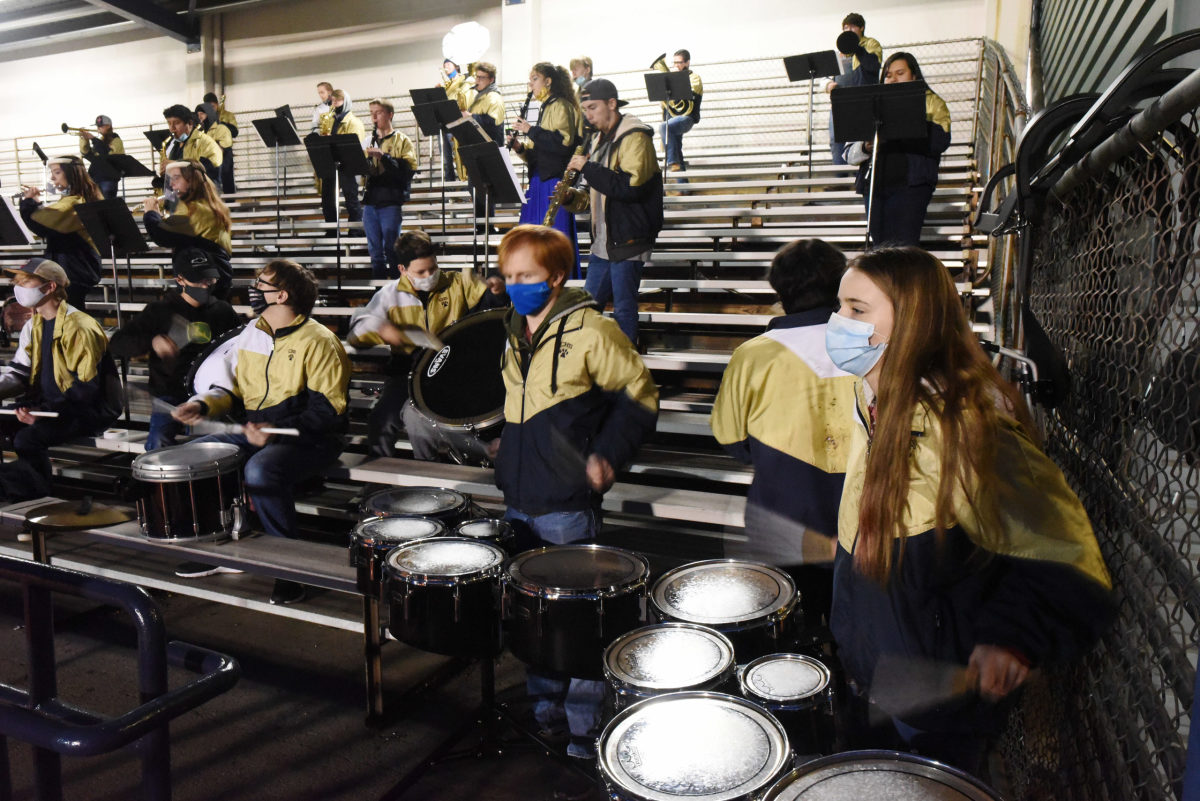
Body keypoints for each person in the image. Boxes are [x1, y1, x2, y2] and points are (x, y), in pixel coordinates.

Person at [827, 247, 1113, 773]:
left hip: (936, 702)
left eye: (857, 309)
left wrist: (1011, 639)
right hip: (875, 673)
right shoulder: (871, 398)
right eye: (840, 306)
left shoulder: (967, 430)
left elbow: (1066, 560)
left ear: (912, 322)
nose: (838, 322)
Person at [494, 225, 658, 760]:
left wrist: (607, 454)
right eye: (509, 275)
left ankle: (586, 730)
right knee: (535, 617)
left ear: (557, 277)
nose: (515, 285)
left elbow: (639, 396)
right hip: (519, 495)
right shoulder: (512, 330)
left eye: (526, 276)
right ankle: (546, 715)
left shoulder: (593, 331)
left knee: (579, 622)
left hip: (566, 503)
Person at [172, 259, 351, 605]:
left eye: (261, 284)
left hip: (313, 438)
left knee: (260, 469)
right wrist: (203, 405)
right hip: (259, 428)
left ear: (281, 295)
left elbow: (327, 413)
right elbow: (234, 390)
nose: (253, 290)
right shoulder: (252, 332)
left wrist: (274, 430)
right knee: (198, 457)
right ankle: (220, 548)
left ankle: (290, 570)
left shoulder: (320, 341)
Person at [710, 239, 856, 633]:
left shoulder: (753, 355)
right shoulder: (870, 345)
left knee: (789, 626)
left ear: (780, 291)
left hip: (784, 514)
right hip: (864, 518)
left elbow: (728, 434)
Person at [347, 229, 498, 459]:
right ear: (402, 269)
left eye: (433, 268)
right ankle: (381, 470)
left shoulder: (459, 282)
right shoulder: (389, 295)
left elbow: (493, 305)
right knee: (381, 419)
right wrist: (380, 329)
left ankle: (428, 469)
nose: (429, 275)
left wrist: (497, 288)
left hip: (451, 372)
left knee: (416, 419)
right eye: (421, 272)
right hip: (405, 374)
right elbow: (356, 335)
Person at [0, 259, 120, 491]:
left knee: (28, 438)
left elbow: (86, 389)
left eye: (25, 282)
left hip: (86, 410)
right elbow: (21, 374)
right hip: (50, 405)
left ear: (50, 287)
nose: (18, 288)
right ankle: (19, 488)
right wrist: (37, 408)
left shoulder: (80, 326)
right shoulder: (34, 325)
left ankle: (36, 492)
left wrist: (44, 413)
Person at [561, 79, 663, 346]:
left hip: (629, 237)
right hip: (604, 242)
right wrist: (571, 197)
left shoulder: (635, 136)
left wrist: (587, 167)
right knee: (586, 309)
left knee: (624, 309)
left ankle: (626, 366)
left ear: (612, 104)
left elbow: (631, 187)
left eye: (593, 107)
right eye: (585, 109)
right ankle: (588, 360)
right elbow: (592, 194)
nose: (588, 115)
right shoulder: (596, 139)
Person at [108, 248, 241, 450]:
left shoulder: (223, 311)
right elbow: (118, 343)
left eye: (209, 279)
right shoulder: (160, 311)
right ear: (180, 280)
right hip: (171, 393)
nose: (205, 284)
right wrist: (152, 341)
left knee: (218, 447)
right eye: (198, 280)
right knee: (158, 444)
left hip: (211, 393)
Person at [845, 52, 951, 247]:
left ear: (914, 75)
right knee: (879, 247)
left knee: (904, 248)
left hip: (912, 186)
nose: (893, 79)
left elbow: (940, 141)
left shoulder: (931, 102)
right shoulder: (871, 104)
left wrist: (907, 119)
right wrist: (866, 147)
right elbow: (848, 154)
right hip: (875, 186)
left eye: (900, 73)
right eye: (888, 75)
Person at [509, 63, 583, 277]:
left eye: (535, 79)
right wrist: (519, 147)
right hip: (539, 180)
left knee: (552, 242)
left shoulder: (561, 105)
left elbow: (562, 144)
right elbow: (540, 152)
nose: (530, 84)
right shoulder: (546, 107)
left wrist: (530, 130)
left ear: (548, 81)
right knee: (532, 241)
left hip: (553, 181)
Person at [19, 155, 102, 310]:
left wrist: (28, 202)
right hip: (72, 268)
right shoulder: (78, 198)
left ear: (72, 174)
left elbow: (42, 222)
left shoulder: (75, 201)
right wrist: (37, 203)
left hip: (73, 270)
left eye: (57, 172)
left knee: (69, 315)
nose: (52, 178)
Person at [142, 160, 234, 298]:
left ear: (191, 181)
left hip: (204, 281)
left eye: (176, 178)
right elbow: (179, 233)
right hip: (213, 276)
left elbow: (162, 235)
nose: (171, 184)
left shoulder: (195, 209)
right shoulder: (206, 205)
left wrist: (150, 212)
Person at [362, 99, 417, 280]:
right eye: (371, 113)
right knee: (375, 252)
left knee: (392, 249)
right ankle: (378, 290)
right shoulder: (368, 140)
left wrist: (383, 157)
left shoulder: (402, 140)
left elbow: (406, 171)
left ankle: (397, 286)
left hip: (390, 200)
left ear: (390, 115)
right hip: (371, 201)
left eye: (378, 112)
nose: (374, 117)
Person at [445, 61, 506, 225]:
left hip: (488, 154)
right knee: (476, 193)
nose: (477, 80)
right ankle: (480, 228)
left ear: (491, 79)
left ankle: (486, 228)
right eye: (476, 77)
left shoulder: (494, 97)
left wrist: (471, 117)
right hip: (478, 153)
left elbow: (493, 123)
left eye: (481, 77)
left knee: (484, 197)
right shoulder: (479, 97)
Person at [825, 13, 883, 166]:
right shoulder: (838, 53)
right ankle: (840, 176)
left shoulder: (871, 44)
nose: (848, 30)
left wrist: (856, 48)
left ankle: (862, 175)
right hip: (839, 104)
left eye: (852, 27)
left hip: (863, 102)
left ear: (861, 28)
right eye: (845, 28)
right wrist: (828, 85)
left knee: (862, 139)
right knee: (836, 141)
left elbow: (873, 66)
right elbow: (826, 78)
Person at [315, 89, 365, 230]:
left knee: (351, 200)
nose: (335, 103)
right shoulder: (328, 119)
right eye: (333, 100)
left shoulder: (354, 122)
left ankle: (355, 231)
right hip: (331, 164)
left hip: (347, 166)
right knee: (327, 200)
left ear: (346, 101)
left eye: (338, 100)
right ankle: (331, 230)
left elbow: (356, 147)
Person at [660, 49, 703, 174]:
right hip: (672, 117)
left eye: (679, 62)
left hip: (687, 117)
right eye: (674, 63)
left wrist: (676, 83)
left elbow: (689, 96)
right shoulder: (671, 80)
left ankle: (672, 162)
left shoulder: (694, 78)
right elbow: (666, 103)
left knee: (664, 127)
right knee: (677, 150)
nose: (675, 66)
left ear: (687, 63)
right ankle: (682, 183)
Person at [158, 104, 222, 186]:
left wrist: (176, 165)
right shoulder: (172, 145)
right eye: (169, 123)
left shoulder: (206, 142)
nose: (172, 128)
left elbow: (209, 173)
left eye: (176, 123)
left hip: (201, 192)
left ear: (190, 123)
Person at [77, 115, 124, 199]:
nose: (98, 129)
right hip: (95, 179)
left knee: (106, 204)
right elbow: (89, 155)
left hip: (108, 179)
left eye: (101, 126)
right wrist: (84, 139)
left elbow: (108, 155)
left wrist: (93, 139)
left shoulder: (116, 140)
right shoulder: (100, 141)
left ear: (108, 126)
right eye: (97, 126)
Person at [195, 102, 235, 196]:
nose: (199, 117)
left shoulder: (222, 128)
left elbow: (220, 150)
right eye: (198, 114)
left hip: (220, 172)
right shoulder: (201, 132)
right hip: (206, 171)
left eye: (202, 114)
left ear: (209, 114)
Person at [203, 92, 239, 194]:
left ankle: (230, 201)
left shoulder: (228, 115)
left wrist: (221, 124)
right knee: (211, 177)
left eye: (213, 106)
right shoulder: (204, 117)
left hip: (225, 151)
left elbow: (235, 132)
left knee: (227, 176)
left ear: (217, 104)